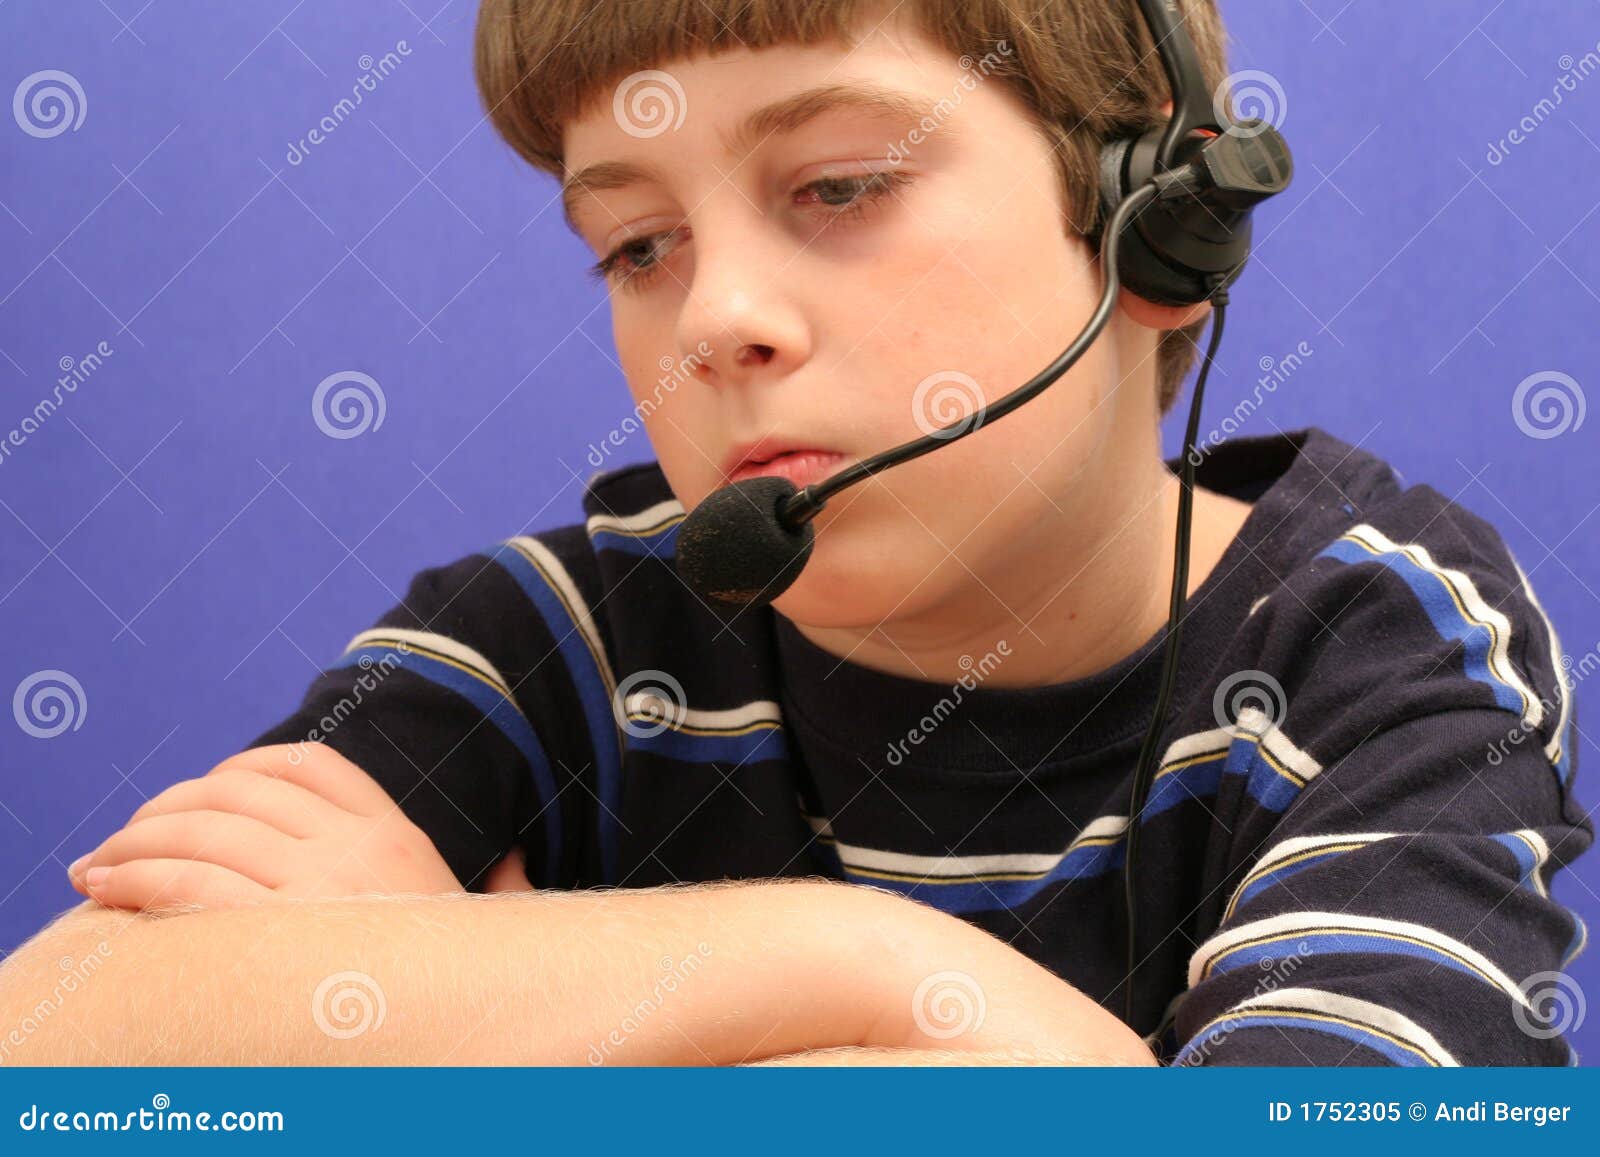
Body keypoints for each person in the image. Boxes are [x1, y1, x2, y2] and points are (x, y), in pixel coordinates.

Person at [3, 0, 1589, 1067]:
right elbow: (57, 1033)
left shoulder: (1375, 644)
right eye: (637, 243)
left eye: (835, 186)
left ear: (1157, 209)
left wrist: (506, 1000)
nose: (719, 316)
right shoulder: (559, 631)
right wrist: (868, 969)